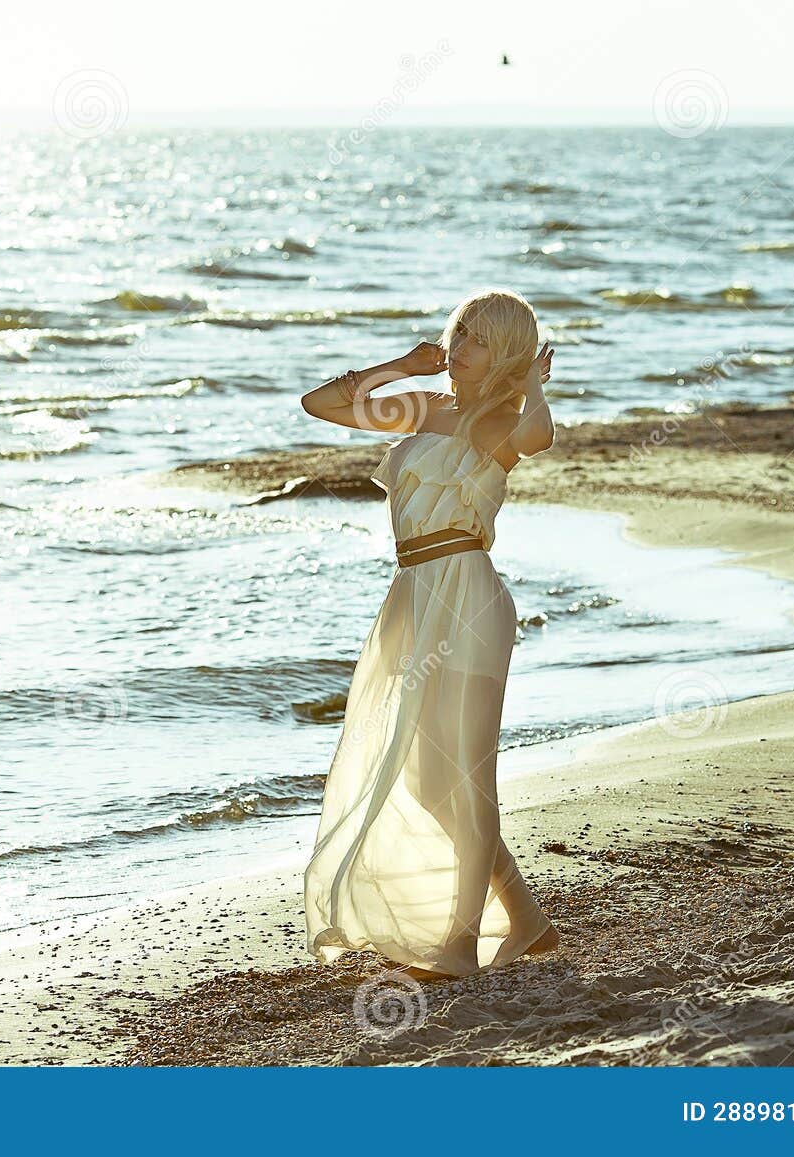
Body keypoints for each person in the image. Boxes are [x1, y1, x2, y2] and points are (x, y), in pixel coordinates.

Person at [299, 288, 559, 979]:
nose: (461, 345)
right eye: (460, 331)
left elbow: (540, 436)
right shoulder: (428, 408)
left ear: (504, 352)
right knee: (427, 778)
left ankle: (459, 942)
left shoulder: (499, 418)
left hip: (468, 593)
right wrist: (403, 364)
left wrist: (531, 380)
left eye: (479, 338)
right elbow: (320, 404)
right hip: (412, 594)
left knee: (468, 779)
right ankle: (525, 916)